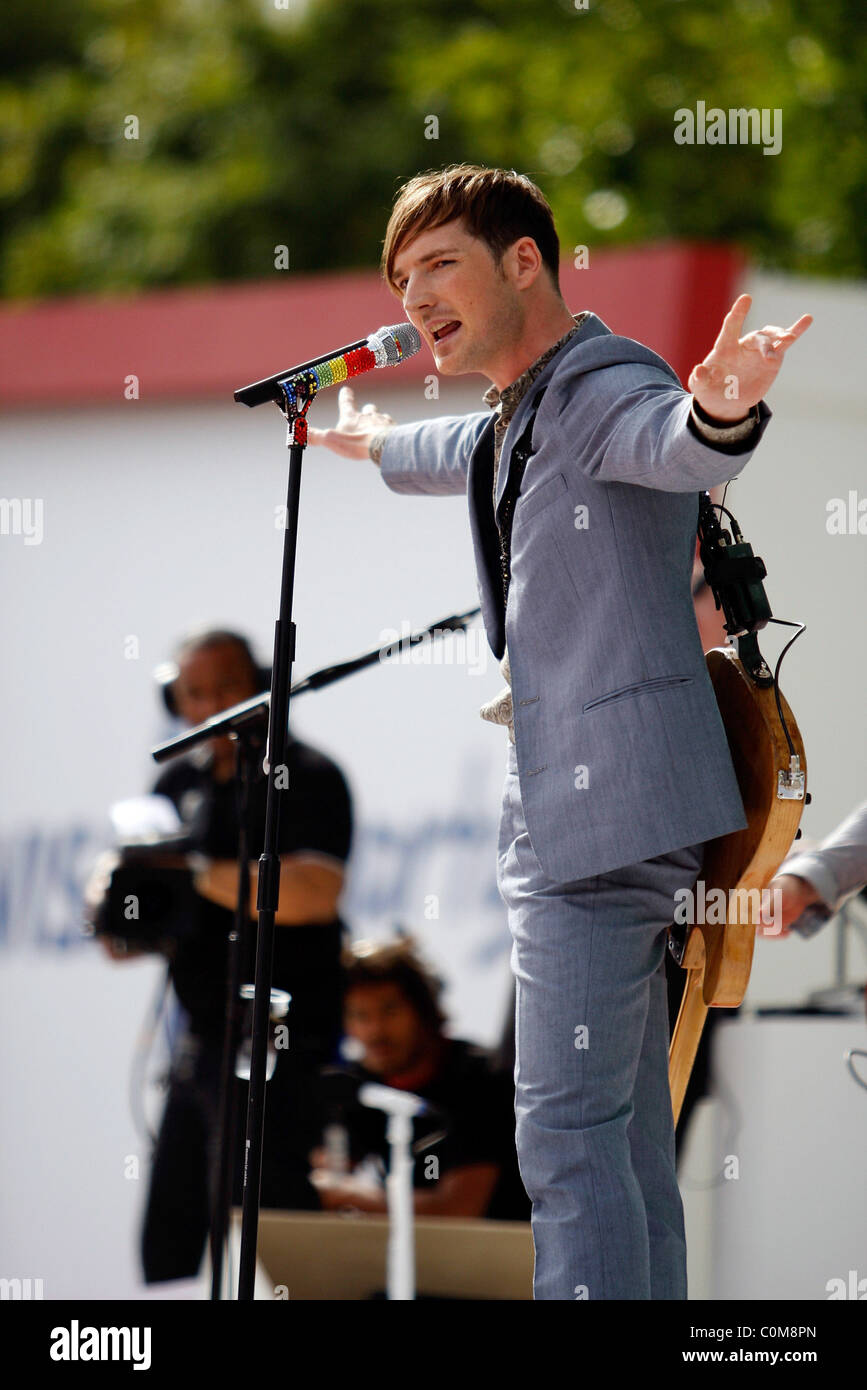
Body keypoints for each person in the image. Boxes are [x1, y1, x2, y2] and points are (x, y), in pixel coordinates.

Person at [306, 164, 812, 1299]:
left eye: (439, 264)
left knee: (569, 1139)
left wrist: (724, 403)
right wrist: (373, 445)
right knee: (624, 1139)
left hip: (595, 820)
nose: (414, 295)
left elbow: (677, 439)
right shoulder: (528, 406)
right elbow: (471, 458)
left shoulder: (597, 385)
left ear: (523, 259)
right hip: (626, 808)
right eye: (400, 277)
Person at [91, 628, 353, 1282]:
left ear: (261, 682)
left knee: (277, 1237)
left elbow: (313, 893)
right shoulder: (175, 778)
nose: (208, 707)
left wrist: (190, 873)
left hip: (283, 1044)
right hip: (198, 1040)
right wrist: (117, 905)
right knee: (172, 1239)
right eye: (193, 693)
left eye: (224, 688)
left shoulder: (309, 773)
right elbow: (142, 916)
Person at [310, 937, 530, 1220]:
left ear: (423, 1010)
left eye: (390, 1010)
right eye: (359, 1015)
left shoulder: (480, 1080)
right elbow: (327, 1177)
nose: (375, 1030)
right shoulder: (354, 1087)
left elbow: (458, 1210)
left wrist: (347, 1194)